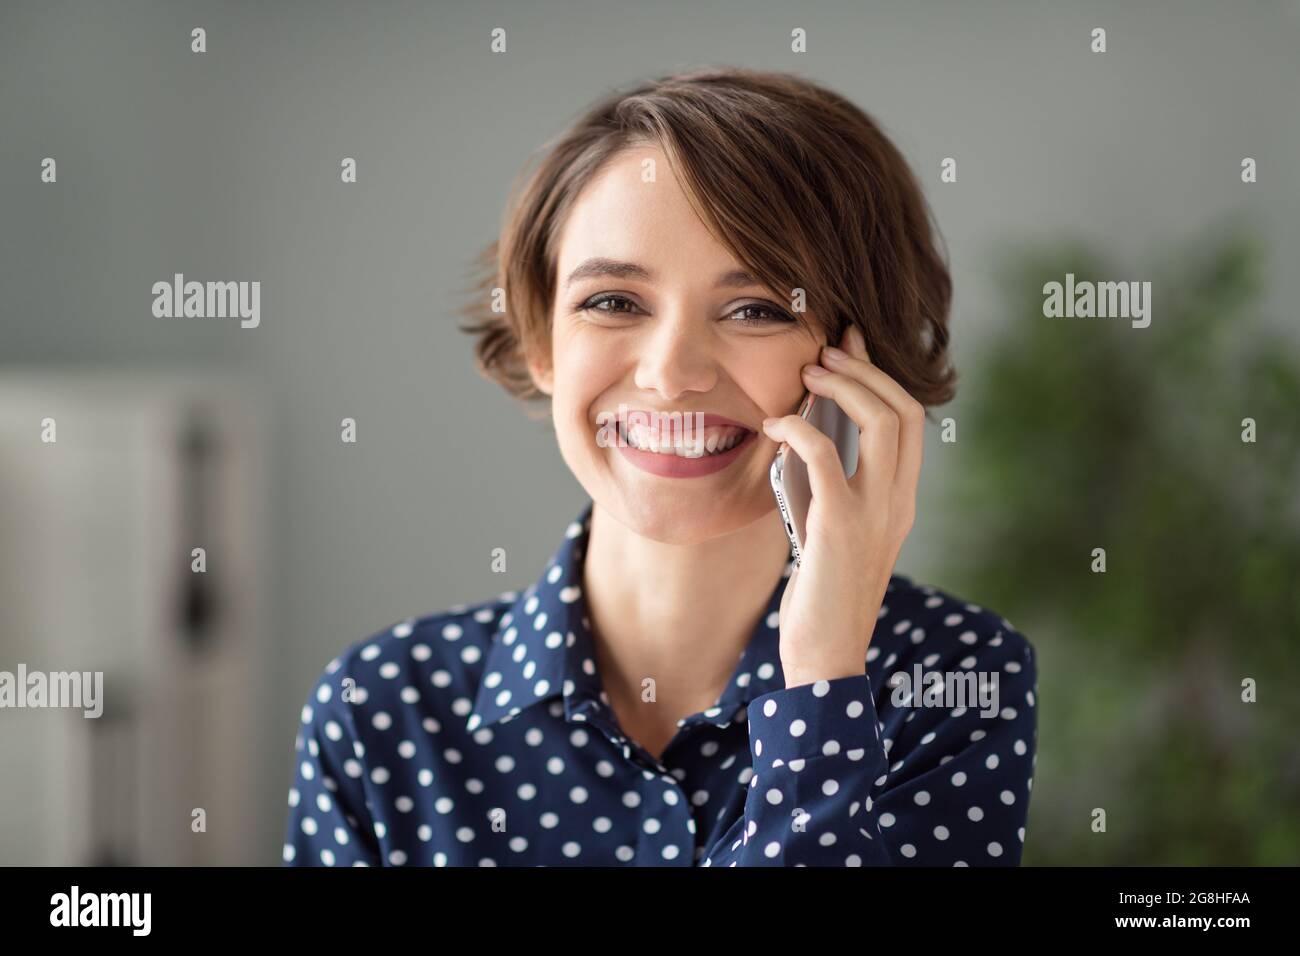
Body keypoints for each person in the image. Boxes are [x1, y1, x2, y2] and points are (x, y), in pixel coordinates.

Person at [283, 67, 1037, 867]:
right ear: (542, 339)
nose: (672, 372)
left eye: (756, 310)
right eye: (613, 301)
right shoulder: (382, 711)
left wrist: (823, 687)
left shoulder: (953, 680)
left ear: (861, 361)